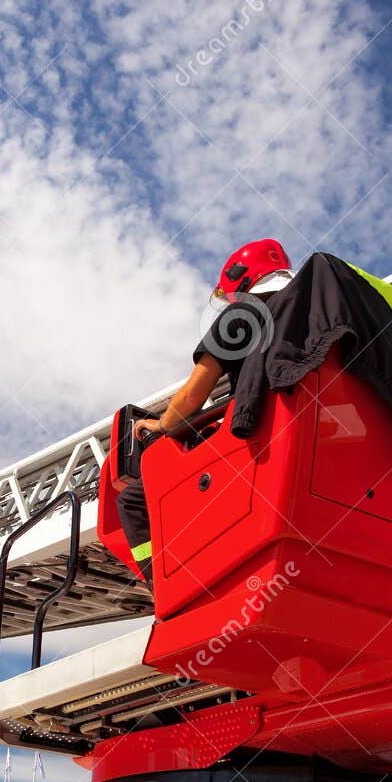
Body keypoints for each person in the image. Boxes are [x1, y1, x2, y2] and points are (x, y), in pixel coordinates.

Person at [117, 239, 294, 581]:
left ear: (241, 280)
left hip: (255, 440)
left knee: (134, 500)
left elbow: (193, 398)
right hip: (311, 443)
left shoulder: (245, 313)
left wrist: (162, 424)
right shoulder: (324, 306)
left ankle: (164, 584)